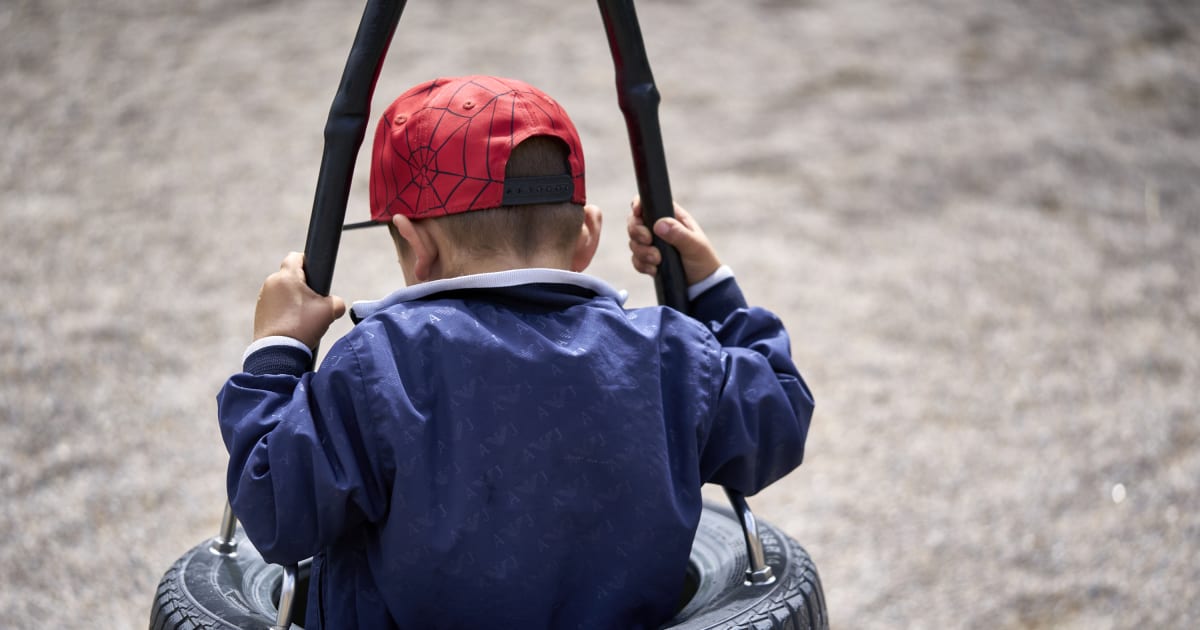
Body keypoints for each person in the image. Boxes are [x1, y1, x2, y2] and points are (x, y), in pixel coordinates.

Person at [217, 75, 813, 629]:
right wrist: (709, 287)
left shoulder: (379, 366)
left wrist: (279, 350)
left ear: (417, 246)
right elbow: (779, 417)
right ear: (587, 234)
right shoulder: (672, 353)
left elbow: (275, 510)